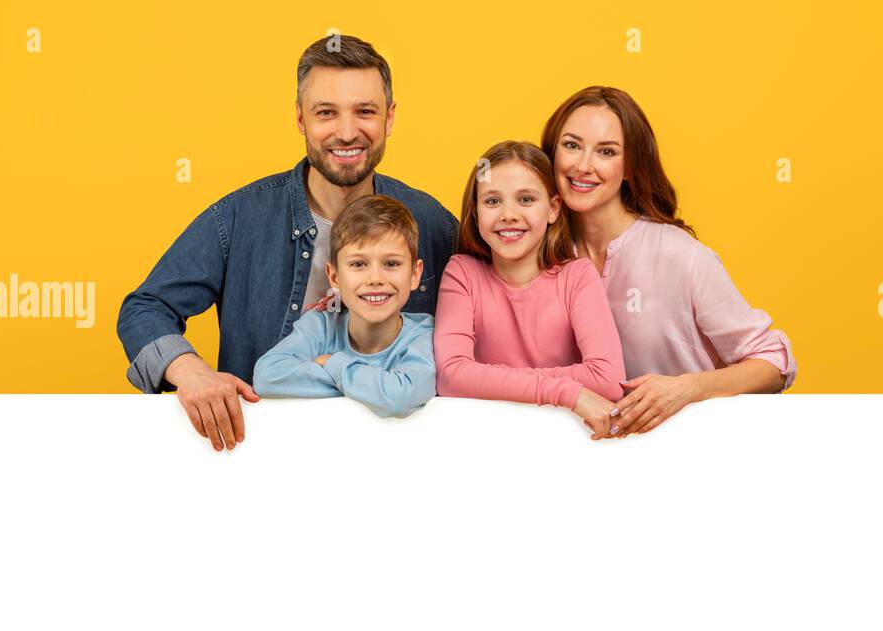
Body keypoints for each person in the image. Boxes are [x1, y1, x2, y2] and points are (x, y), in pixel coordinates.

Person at [117, 35, 457, 451]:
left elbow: (502, 307)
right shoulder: (240, 218)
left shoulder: (434, 225)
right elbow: (145, 308)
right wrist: (190, 370)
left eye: (365, 111)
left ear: (389, 117)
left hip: (398, 457)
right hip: (260, 456)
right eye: (326, 112)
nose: (347, 132)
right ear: (301, 118)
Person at [542, 86, 797, 437]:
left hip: (691, 447)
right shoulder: (542, 257)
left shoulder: (682, 257)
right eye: (571, 145)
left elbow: (774, 362)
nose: (583, 165)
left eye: (606, 151)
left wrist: (691, 388)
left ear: (630, 168)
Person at [433, 141, 626, 439]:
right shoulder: (462, 273)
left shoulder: (578, 276)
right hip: (485, 437)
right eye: (492, 201)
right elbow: (451, 377)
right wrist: (567, 392)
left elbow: (607, 379)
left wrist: (488, 379)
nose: (508, 214)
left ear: (553, 209)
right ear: (476, 213)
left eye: (525, 199)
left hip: (565, 439)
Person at [252, 195, 435, 418]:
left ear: (414, 274)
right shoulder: (320, 325)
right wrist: (376, 389)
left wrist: (333, 364)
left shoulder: (425, 334)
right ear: (334, 277)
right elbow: (267, 376)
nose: (375, 279)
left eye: (391, 263)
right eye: (358, 264)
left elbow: (401, 397)